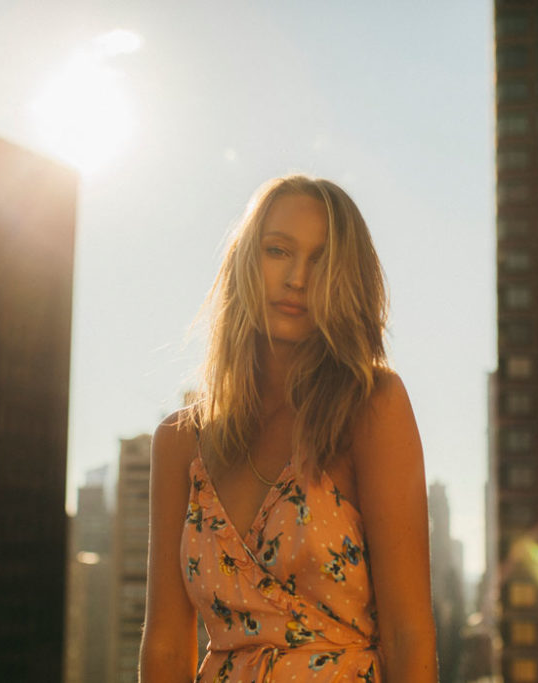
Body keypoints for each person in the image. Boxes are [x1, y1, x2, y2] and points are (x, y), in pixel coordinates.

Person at [139, 175, 437, 682]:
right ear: (245, 262)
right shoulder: (179, 442)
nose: (298, 278)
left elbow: (409, 633)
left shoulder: (370, 407)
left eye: (322, 261)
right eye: (278, 251)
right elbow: (165, 649)